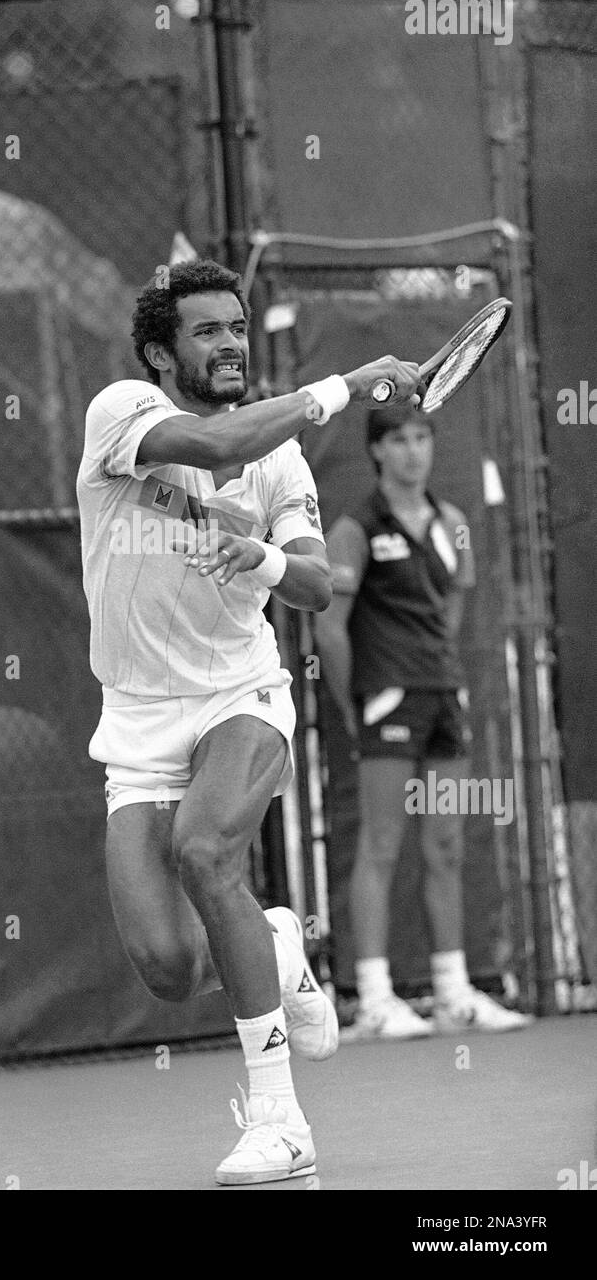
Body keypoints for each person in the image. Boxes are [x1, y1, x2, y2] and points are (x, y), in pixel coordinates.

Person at [76, 258, 421, 1185]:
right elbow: (215, 450)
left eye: (236, 327)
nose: (229, 343)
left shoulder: (279, 454)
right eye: (206, 331)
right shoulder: (122, 413)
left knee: (204, 853)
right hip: (138, 718)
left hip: (242, 695)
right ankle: (274, 941)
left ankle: (279, 1120)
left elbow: (316, 583)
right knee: (166, 966)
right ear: (159, 353)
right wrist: (345, 386)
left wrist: (262, 559)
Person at [313, 402, 533, 1040]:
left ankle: (453, 991)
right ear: (377, 451)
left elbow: (454, 608)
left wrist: (437, 670)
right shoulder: (355, 529)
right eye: (399, 441)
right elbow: (329, 628)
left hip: (444, 697)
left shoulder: (455, 524)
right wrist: (359, 701)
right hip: (387, 701)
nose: (414, 451)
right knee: (380, 844)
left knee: (446, 844)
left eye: (422, 438)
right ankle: (377, 1000)